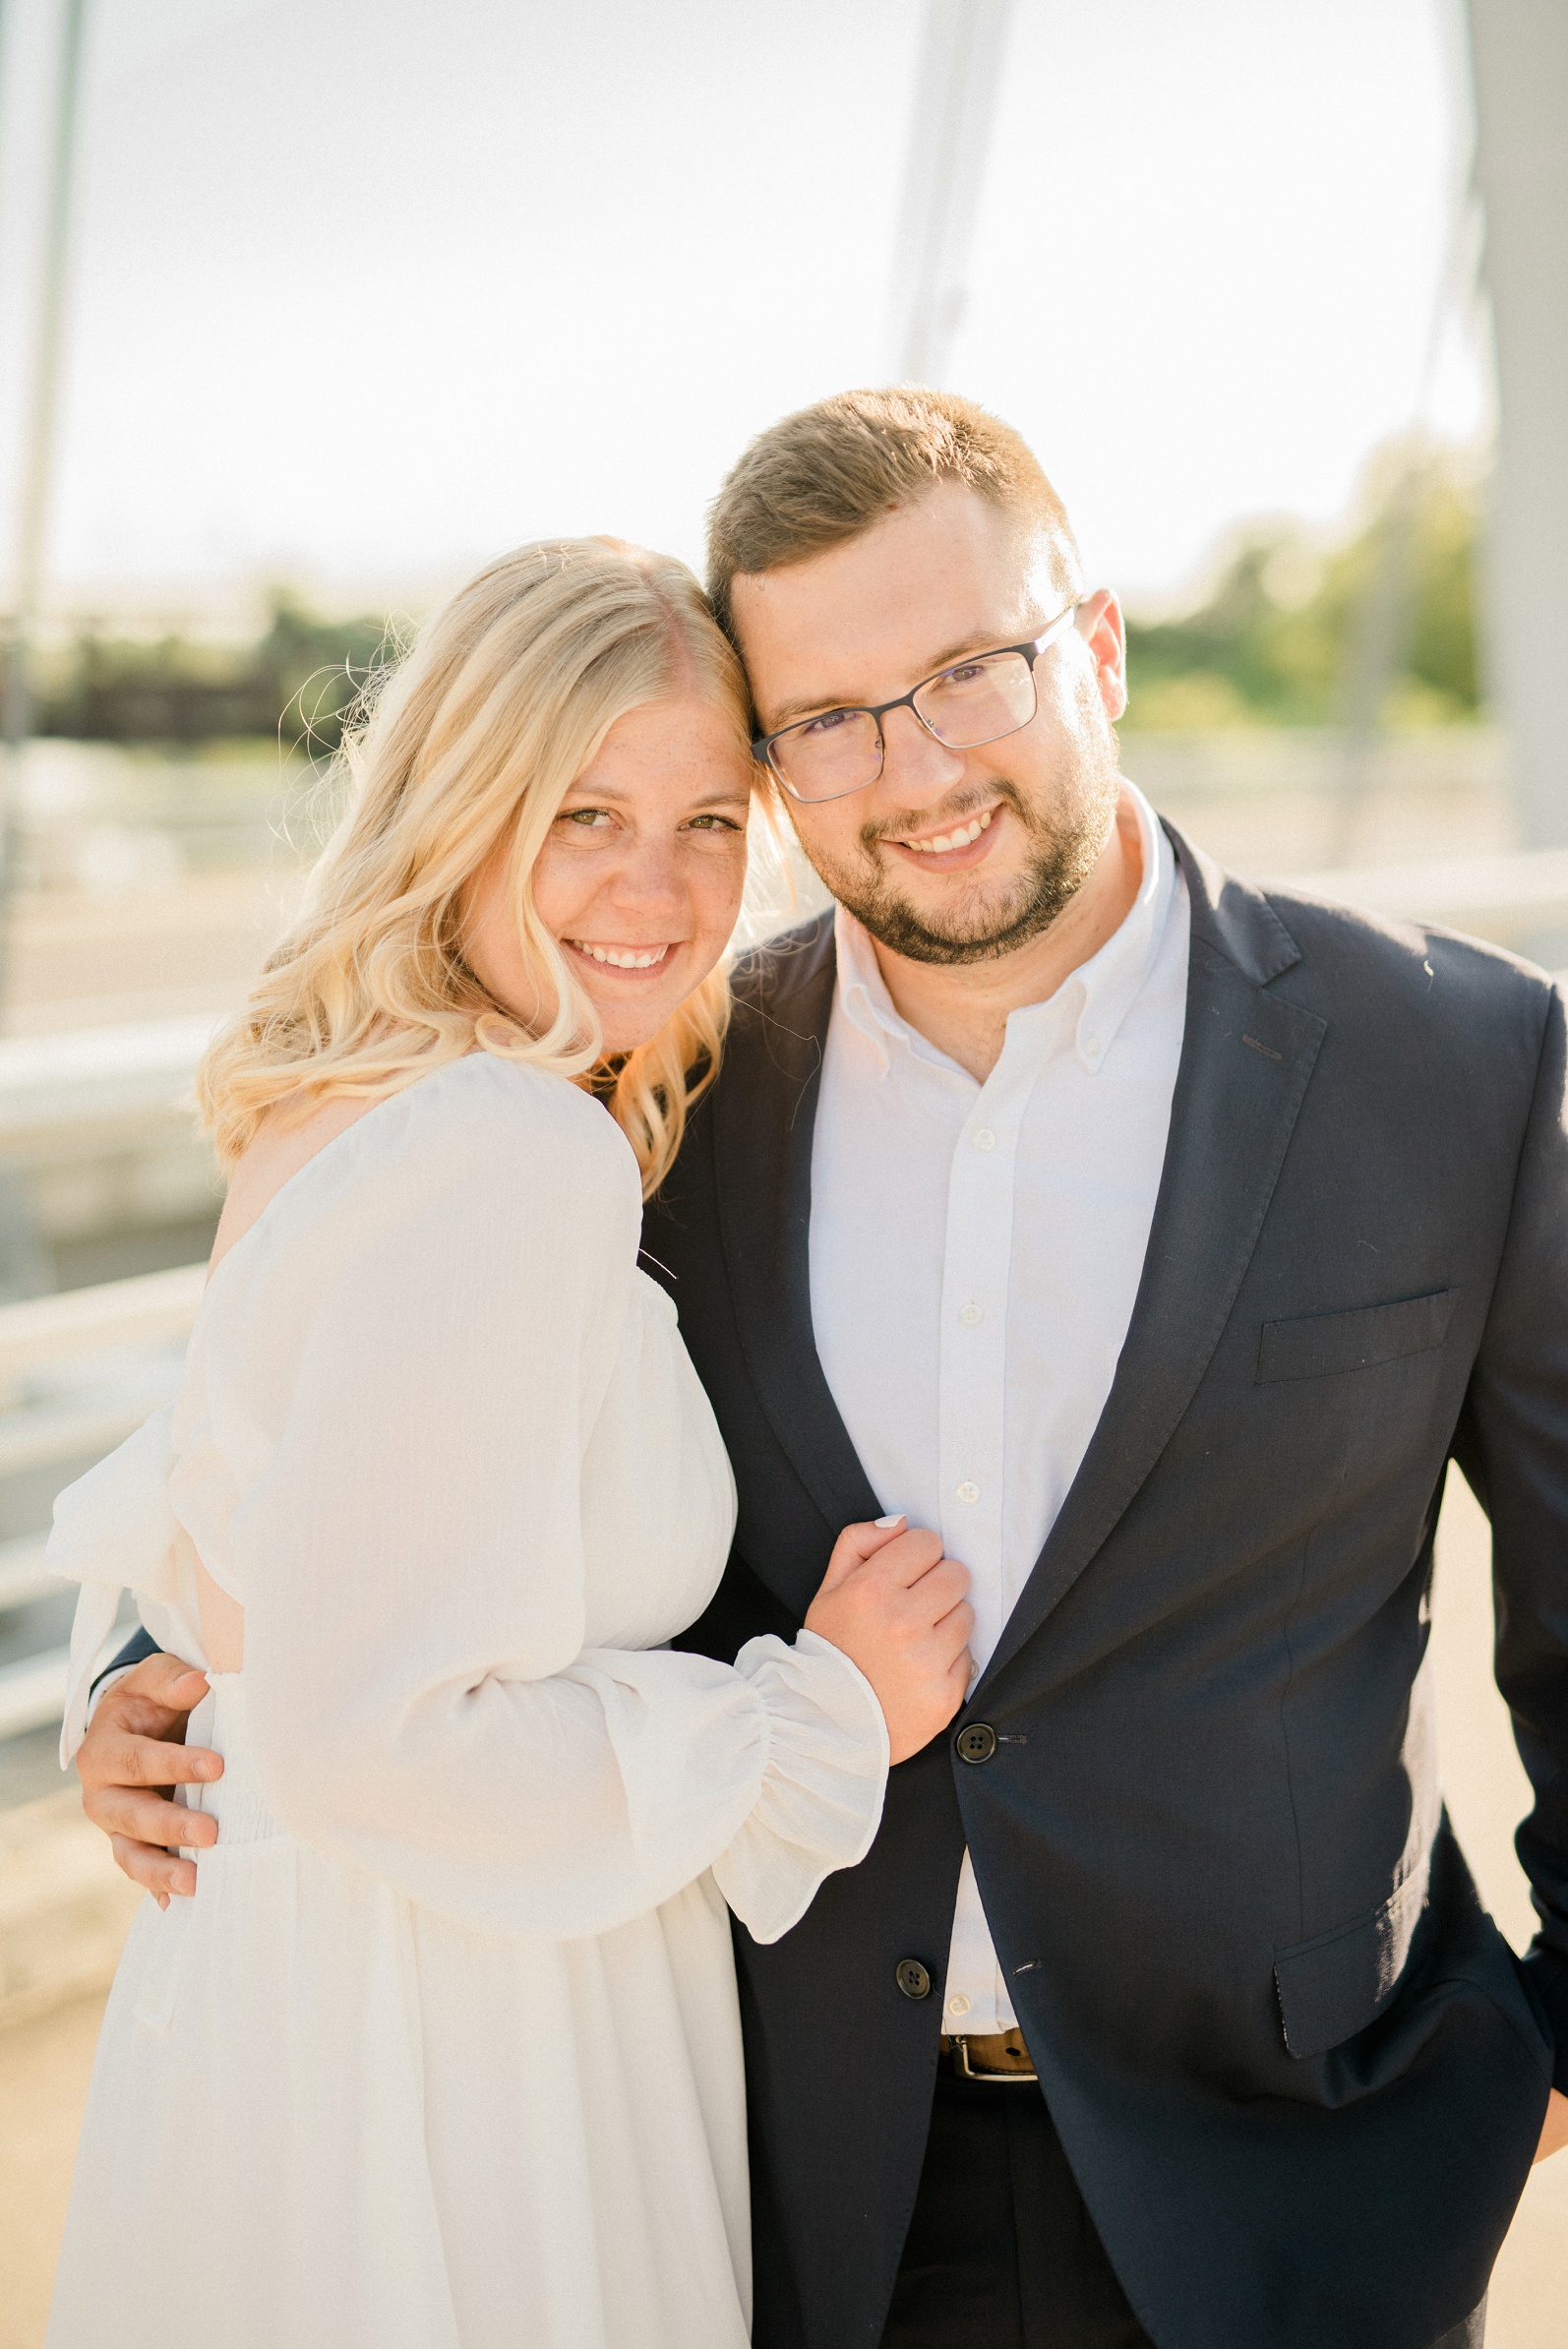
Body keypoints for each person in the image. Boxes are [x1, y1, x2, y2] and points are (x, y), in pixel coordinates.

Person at [81, 391, 1568, 2349]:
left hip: (1301, 2182)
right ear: (779, 761)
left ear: (1096, 647)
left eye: (969, 672)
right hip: (793, 2189)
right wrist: (163, 1680)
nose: (915, 765)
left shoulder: (1448, 1060)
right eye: (830, 720)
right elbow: (361, 1393)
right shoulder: (658, 1095)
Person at [45, 534, 975, 2349]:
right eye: (581, 814)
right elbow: (377, 1740)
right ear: (457, 808)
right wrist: (822, 1714)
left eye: (713, 821)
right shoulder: (508, 1146)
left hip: (293, 2016)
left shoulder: (341, 1105)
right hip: (467, 2047)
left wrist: (135, 1694)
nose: (660, 887)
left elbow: (212, 1516)